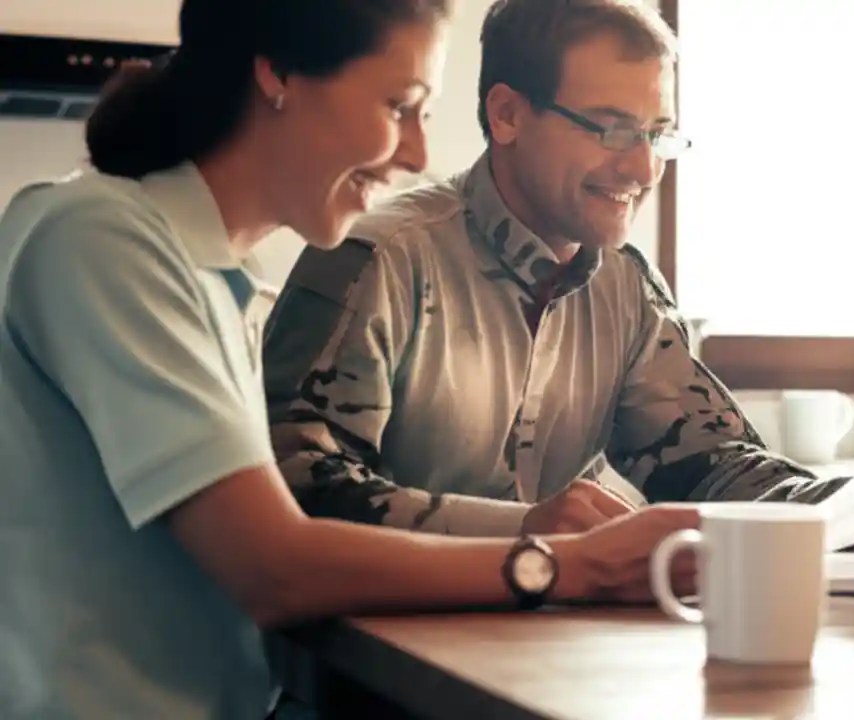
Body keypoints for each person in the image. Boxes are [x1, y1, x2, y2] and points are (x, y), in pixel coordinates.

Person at [0, 1, 701, 718]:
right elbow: (271, 565)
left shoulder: (220, 280)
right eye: (399, 106)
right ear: (278, 74)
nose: (418, 155)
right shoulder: (102, 240)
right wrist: (571, 564)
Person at [260, 0, 854, 554]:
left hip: (553, 647)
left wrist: (853, 511)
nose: (643, 169)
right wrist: (524, 532)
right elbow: (299, 488)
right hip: (375, 663)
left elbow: (707, 462)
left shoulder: (627, 287)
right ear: (507, 114)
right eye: (612, 130)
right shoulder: (376, 259)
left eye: (658, 134)